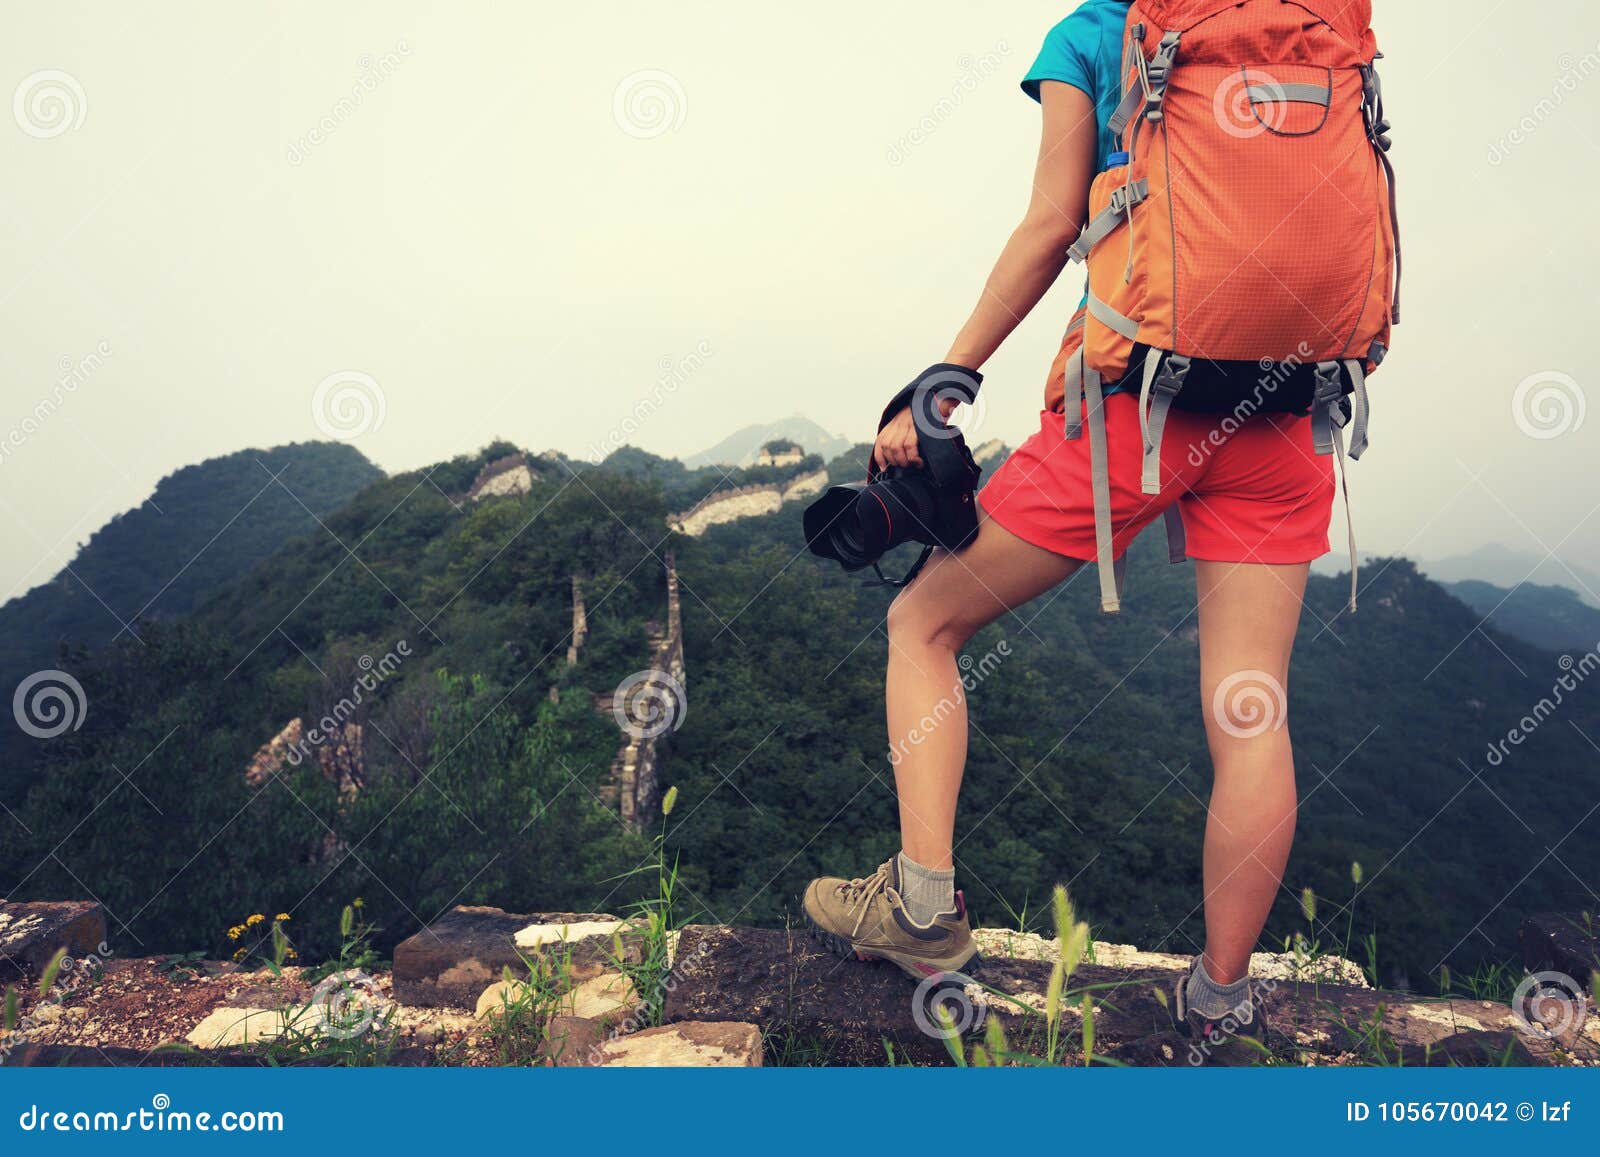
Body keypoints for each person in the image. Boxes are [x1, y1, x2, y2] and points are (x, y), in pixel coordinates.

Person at [802, 0, 1341, 1060]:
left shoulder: (1100, 32)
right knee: (1249, 706)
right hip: (1283, 411)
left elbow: (1053, 221)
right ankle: (1219, 1001)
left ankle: (920, 906)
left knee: (922, 621)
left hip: (1134, 409)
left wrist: (943, 378)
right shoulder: (1311, 29)